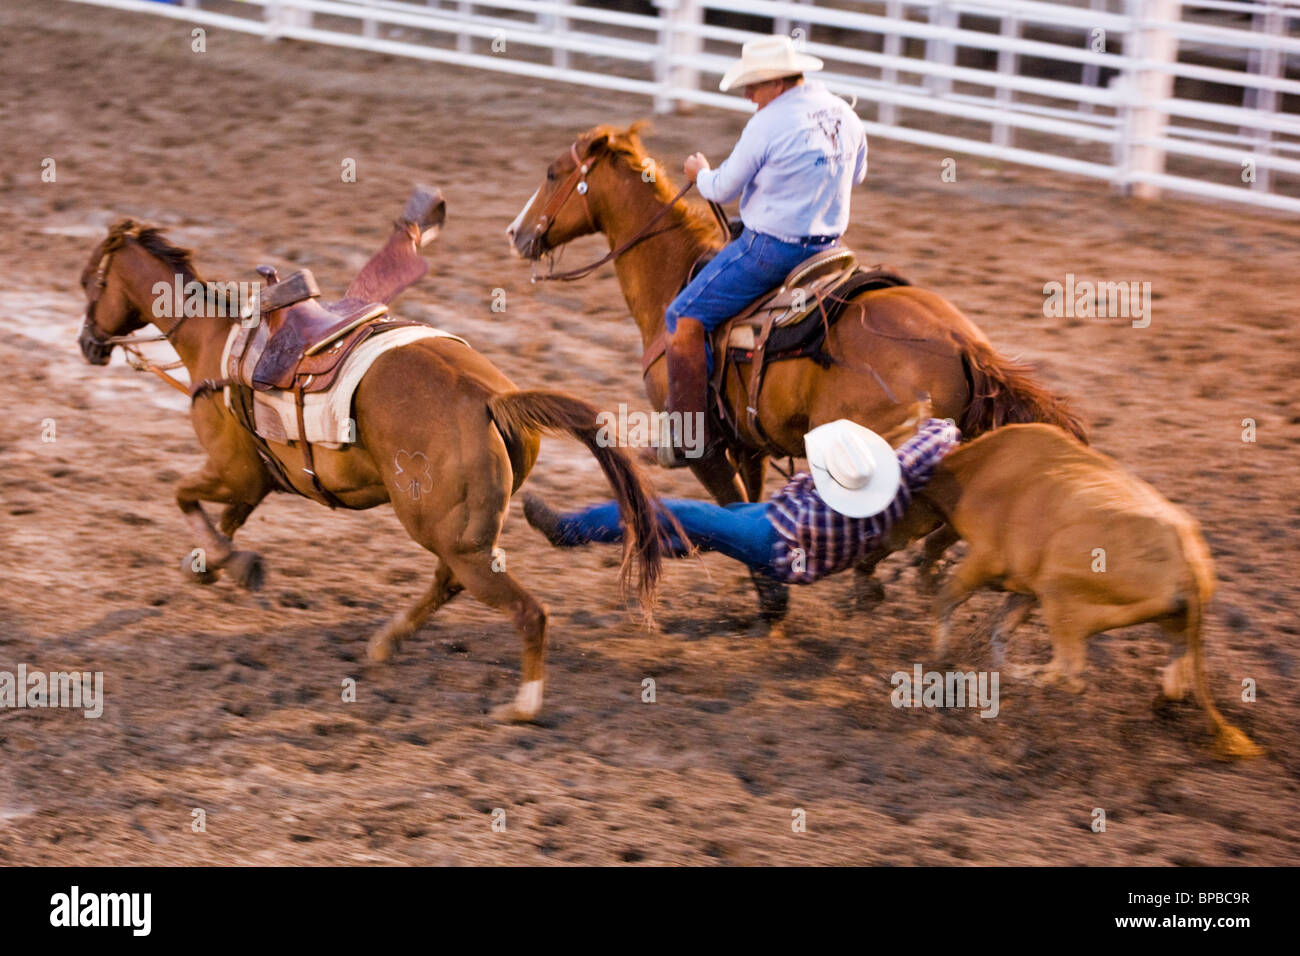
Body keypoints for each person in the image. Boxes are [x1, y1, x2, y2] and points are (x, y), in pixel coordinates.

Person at [659, 34, 869, 467]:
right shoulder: (844, 113)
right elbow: (857, 174)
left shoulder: (768, 123)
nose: (750, 97)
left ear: (776, 83)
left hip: (772, 250)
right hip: (829, 248)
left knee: (681, 317)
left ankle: (688, 436)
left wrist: (700, 173)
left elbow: (723, 188)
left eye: (752, 87)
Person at [523, 418, 959, 585]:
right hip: (785, 543)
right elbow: (938, 437)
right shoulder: (895, 485)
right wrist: (942, 427)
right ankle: (651, 541)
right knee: (705, 528)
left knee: (678, 513)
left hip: (770, 536)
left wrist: (937, 421)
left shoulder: (852, 498)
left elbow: (939, 429)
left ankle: (569, 530)